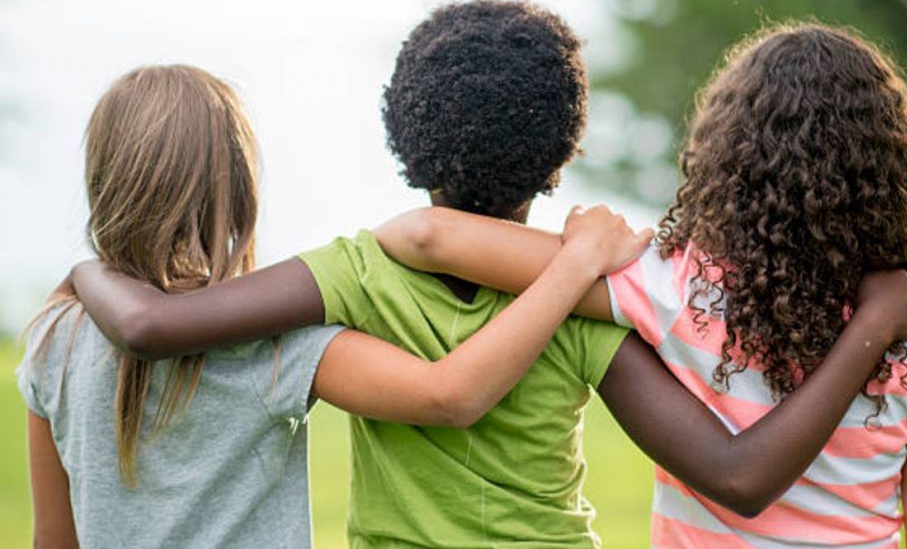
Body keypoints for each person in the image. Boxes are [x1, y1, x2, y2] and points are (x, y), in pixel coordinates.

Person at [67, 5, 907, 549]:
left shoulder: (359, 273)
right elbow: (730, 467)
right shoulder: (589, 301)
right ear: (561, 151)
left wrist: (85, 268)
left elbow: (160, 325)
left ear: (407, 134)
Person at [373, 23, 907, 547]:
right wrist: (874, 328)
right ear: (888, 177)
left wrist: (586, 250)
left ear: (727, 162)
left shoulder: (677, 290)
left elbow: (429, 234)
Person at [17, 64, 654, 548]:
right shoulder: (274, 346)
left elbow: (53, 540)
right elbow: (447, 395)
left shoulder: (51, 341)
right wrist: (573, 264)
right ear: (237, 191)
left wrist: (85, 269)